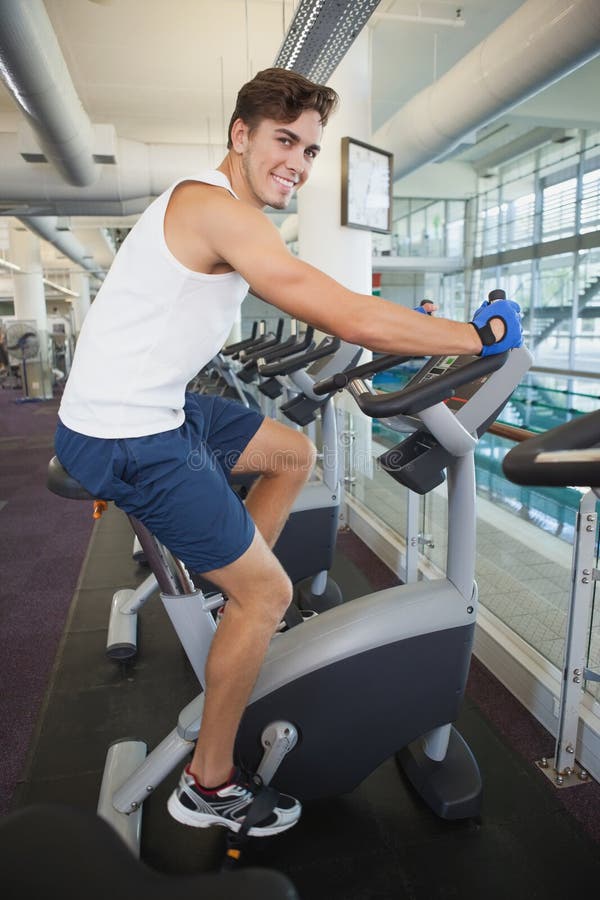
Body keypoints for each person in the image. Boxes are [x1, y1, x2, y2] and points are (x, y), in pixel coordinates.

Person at [54, 67, 522, 839]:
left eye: (309, 149)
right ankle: (207, 785)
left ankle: (237, 605)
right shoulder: (213, 207)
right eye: (284, 141)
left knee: (289, 455)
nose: (298, 163)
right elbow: (332, 303)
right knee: (269, 593)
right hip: (124, 434)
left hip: (154, 410)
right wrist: (476, 338)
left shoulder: (225, 207)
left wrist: (412, 322)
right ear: (241, 136)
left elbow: (331, 294)